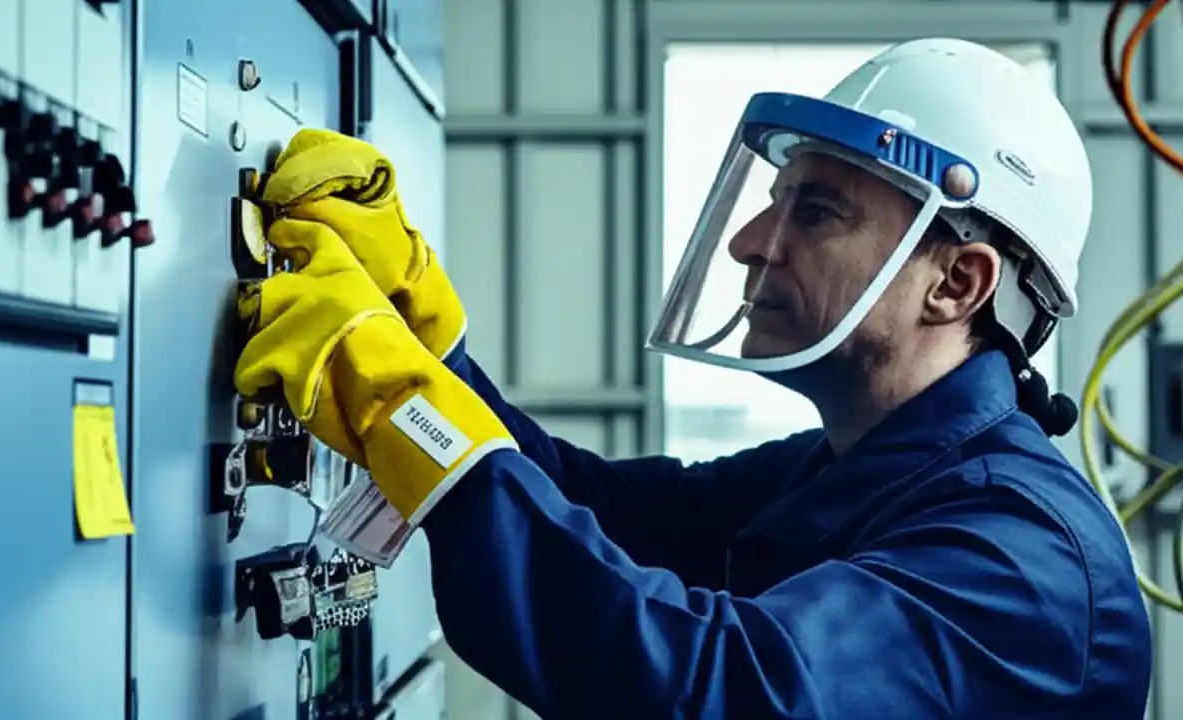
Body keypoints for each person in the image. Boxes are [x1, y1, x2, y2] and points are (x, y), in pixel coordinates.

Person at [235, 38, 1152, 718]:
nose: (754, 242)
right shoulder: (852, 469)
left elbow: (713, 689)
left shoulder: (1022, 560)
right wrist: (424, 346)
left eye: (817, 210)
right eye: (770, 202)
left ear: (955, 283)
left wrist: (410, 415)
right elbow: (602, 510)